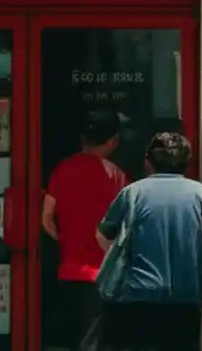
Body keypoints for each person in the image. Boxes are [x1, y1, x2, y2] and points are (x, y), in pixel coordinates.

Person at [96, 132, 202, 351]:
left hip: (139, 296)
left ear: (148, 162)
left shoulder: (132, 193)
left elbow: (103, 233)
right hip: (186, 297)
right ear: (186, 163)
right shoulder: (201, 194)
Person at [43, 109, 129, 351]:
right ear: (113, 142)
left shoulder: (62, 170)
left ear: (83, 138)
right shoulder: (117, 177)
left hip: (68, 271)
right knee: (94, 341)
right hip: (103, 275)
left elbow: (46, 218)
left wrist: (65, 240)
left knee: (71, 337)